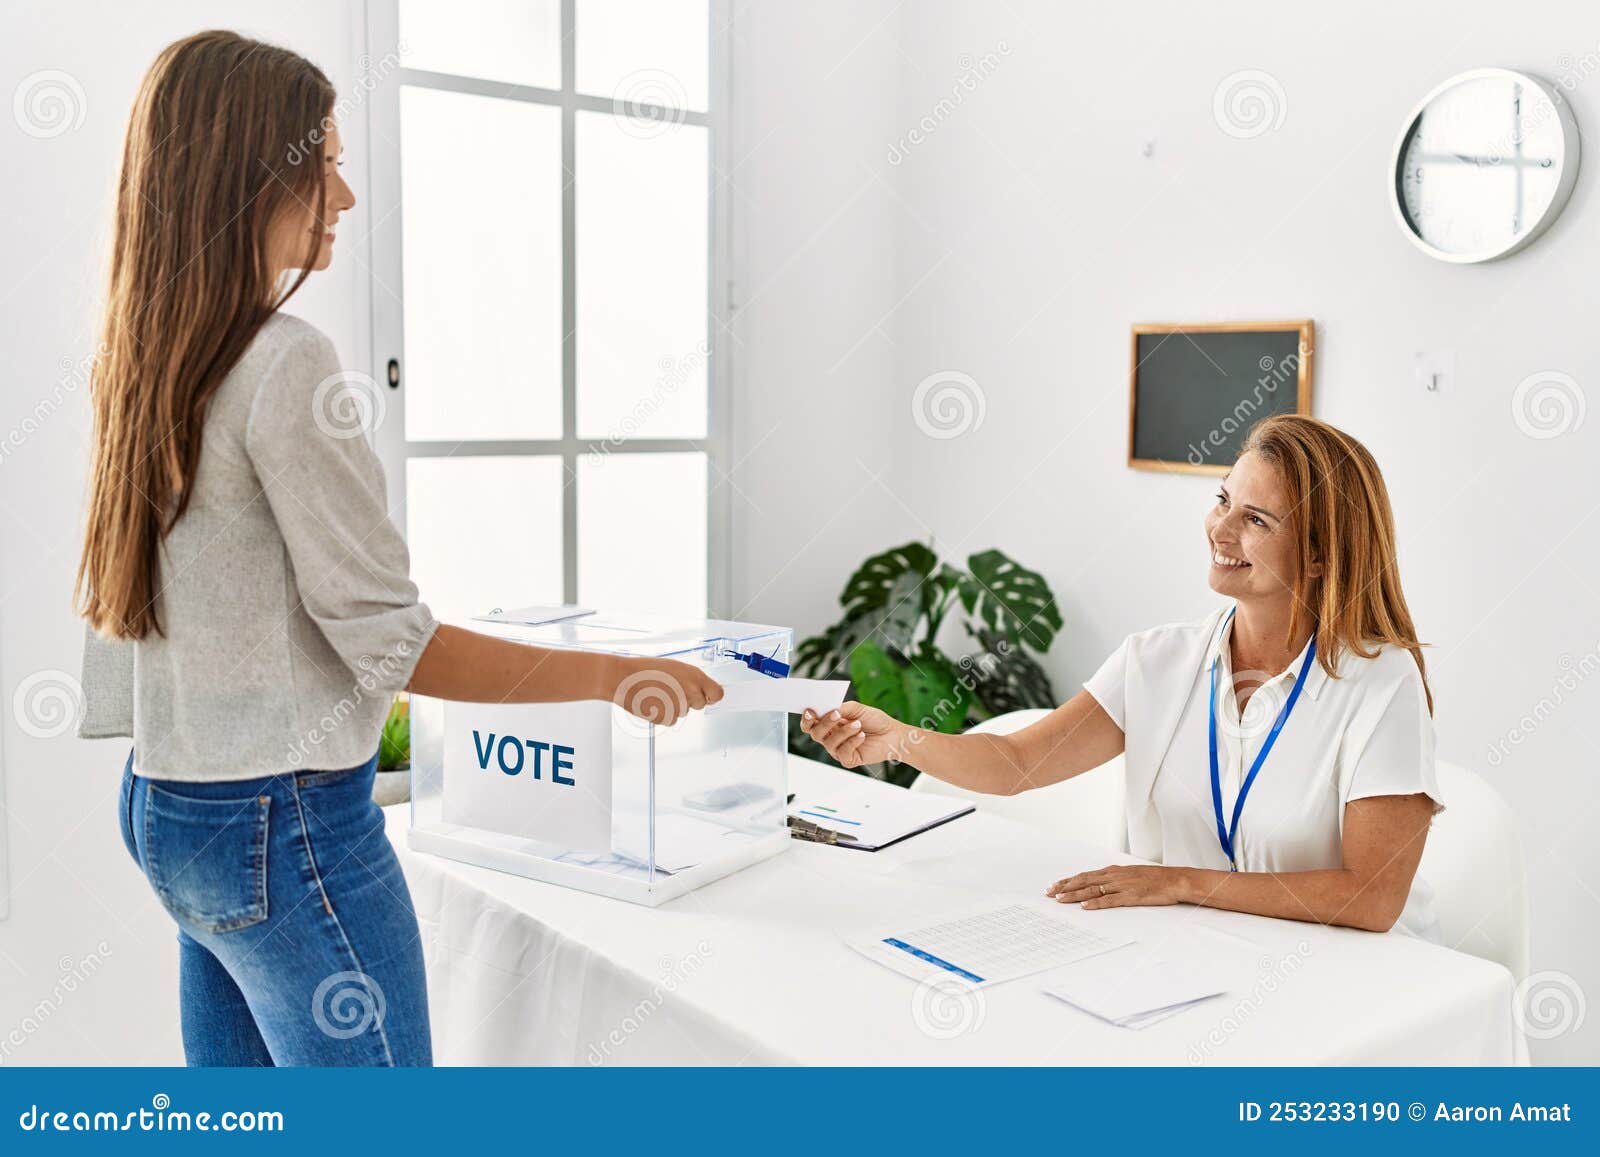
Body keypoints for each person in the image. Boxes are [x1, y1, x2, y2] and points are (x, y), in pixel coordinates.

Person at [73, 31, 722, 1067]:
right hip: (283, 829)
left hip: (168, 808)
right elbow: (390, 641)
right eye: (323, 162)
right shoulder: (285, 363)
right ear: (252, 174)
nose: (347, 195)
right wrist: (611, 674)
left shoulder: (142, 358)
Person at [804, 415, 1444, 939]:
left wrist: (1181, 883)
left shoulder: (1380, 683)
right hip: (1198, 954)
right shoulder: (1158, 661)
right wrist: (898, 739)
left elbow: (1371, 897)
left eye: (1256, 519)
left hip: (1344, 975)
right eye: (1223, 500)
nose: (1220, 530)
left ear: (1318, 558)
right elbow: (1017, 762)